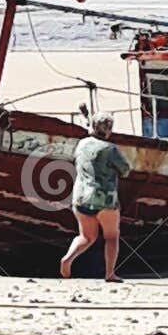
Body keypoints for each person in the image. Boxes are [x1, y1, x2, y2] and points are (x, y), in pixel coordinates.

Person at [60, 113, 131, 282]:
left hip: (81, 197)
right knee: (111, 237)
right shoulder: (110, 149)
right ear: (109, 130)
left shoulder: (82, 144)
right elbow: (125, 170)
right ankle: (110, 273)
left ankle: (67, 259)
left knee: (86, 236)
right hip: (104, 198)